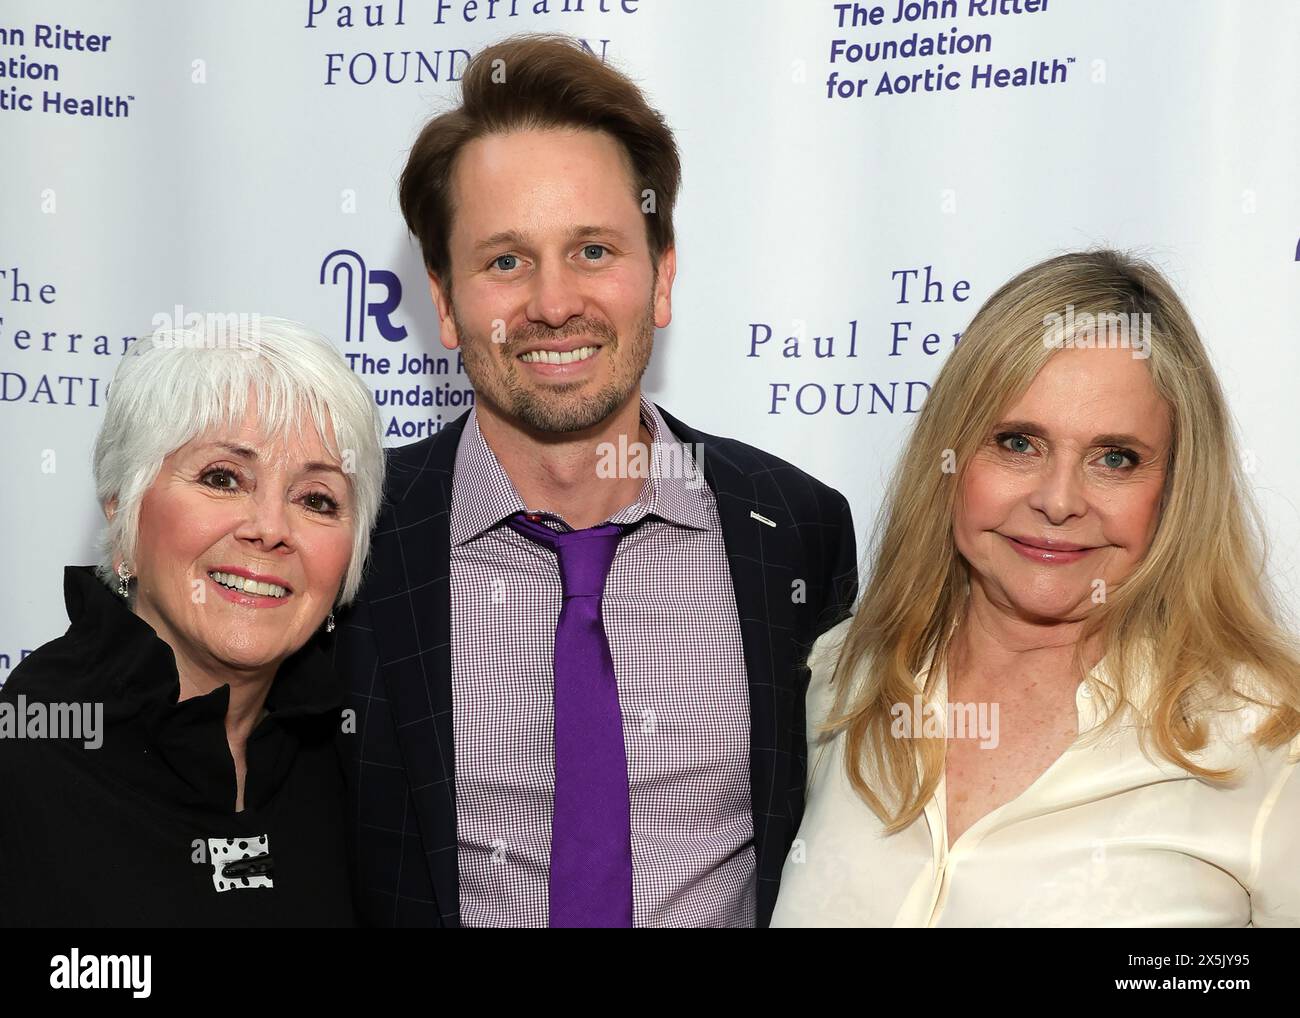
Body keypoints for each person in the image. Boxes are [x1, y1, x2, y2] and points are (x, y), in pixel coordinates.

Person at [326, 34, 858, 928]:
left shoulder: (795, 527)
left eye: (594, 251)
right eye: (505, 261)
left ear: (662, 276)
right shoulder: (352, 534)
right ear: (446, 304)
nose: (553, 303)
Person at [771, 250, 1300, 927]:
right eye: (1018, 443)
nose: (1058, 501)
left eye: (1116, 458)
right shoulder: (837, 683)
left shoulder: (1266, 738)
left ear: (1174, 490)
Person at [0, 316, 385, 927]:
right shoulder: (25, 752)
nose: (270, 529)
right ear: (124, 511)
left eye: (316, 499)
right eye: (223, 479)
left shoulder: (358, 761)